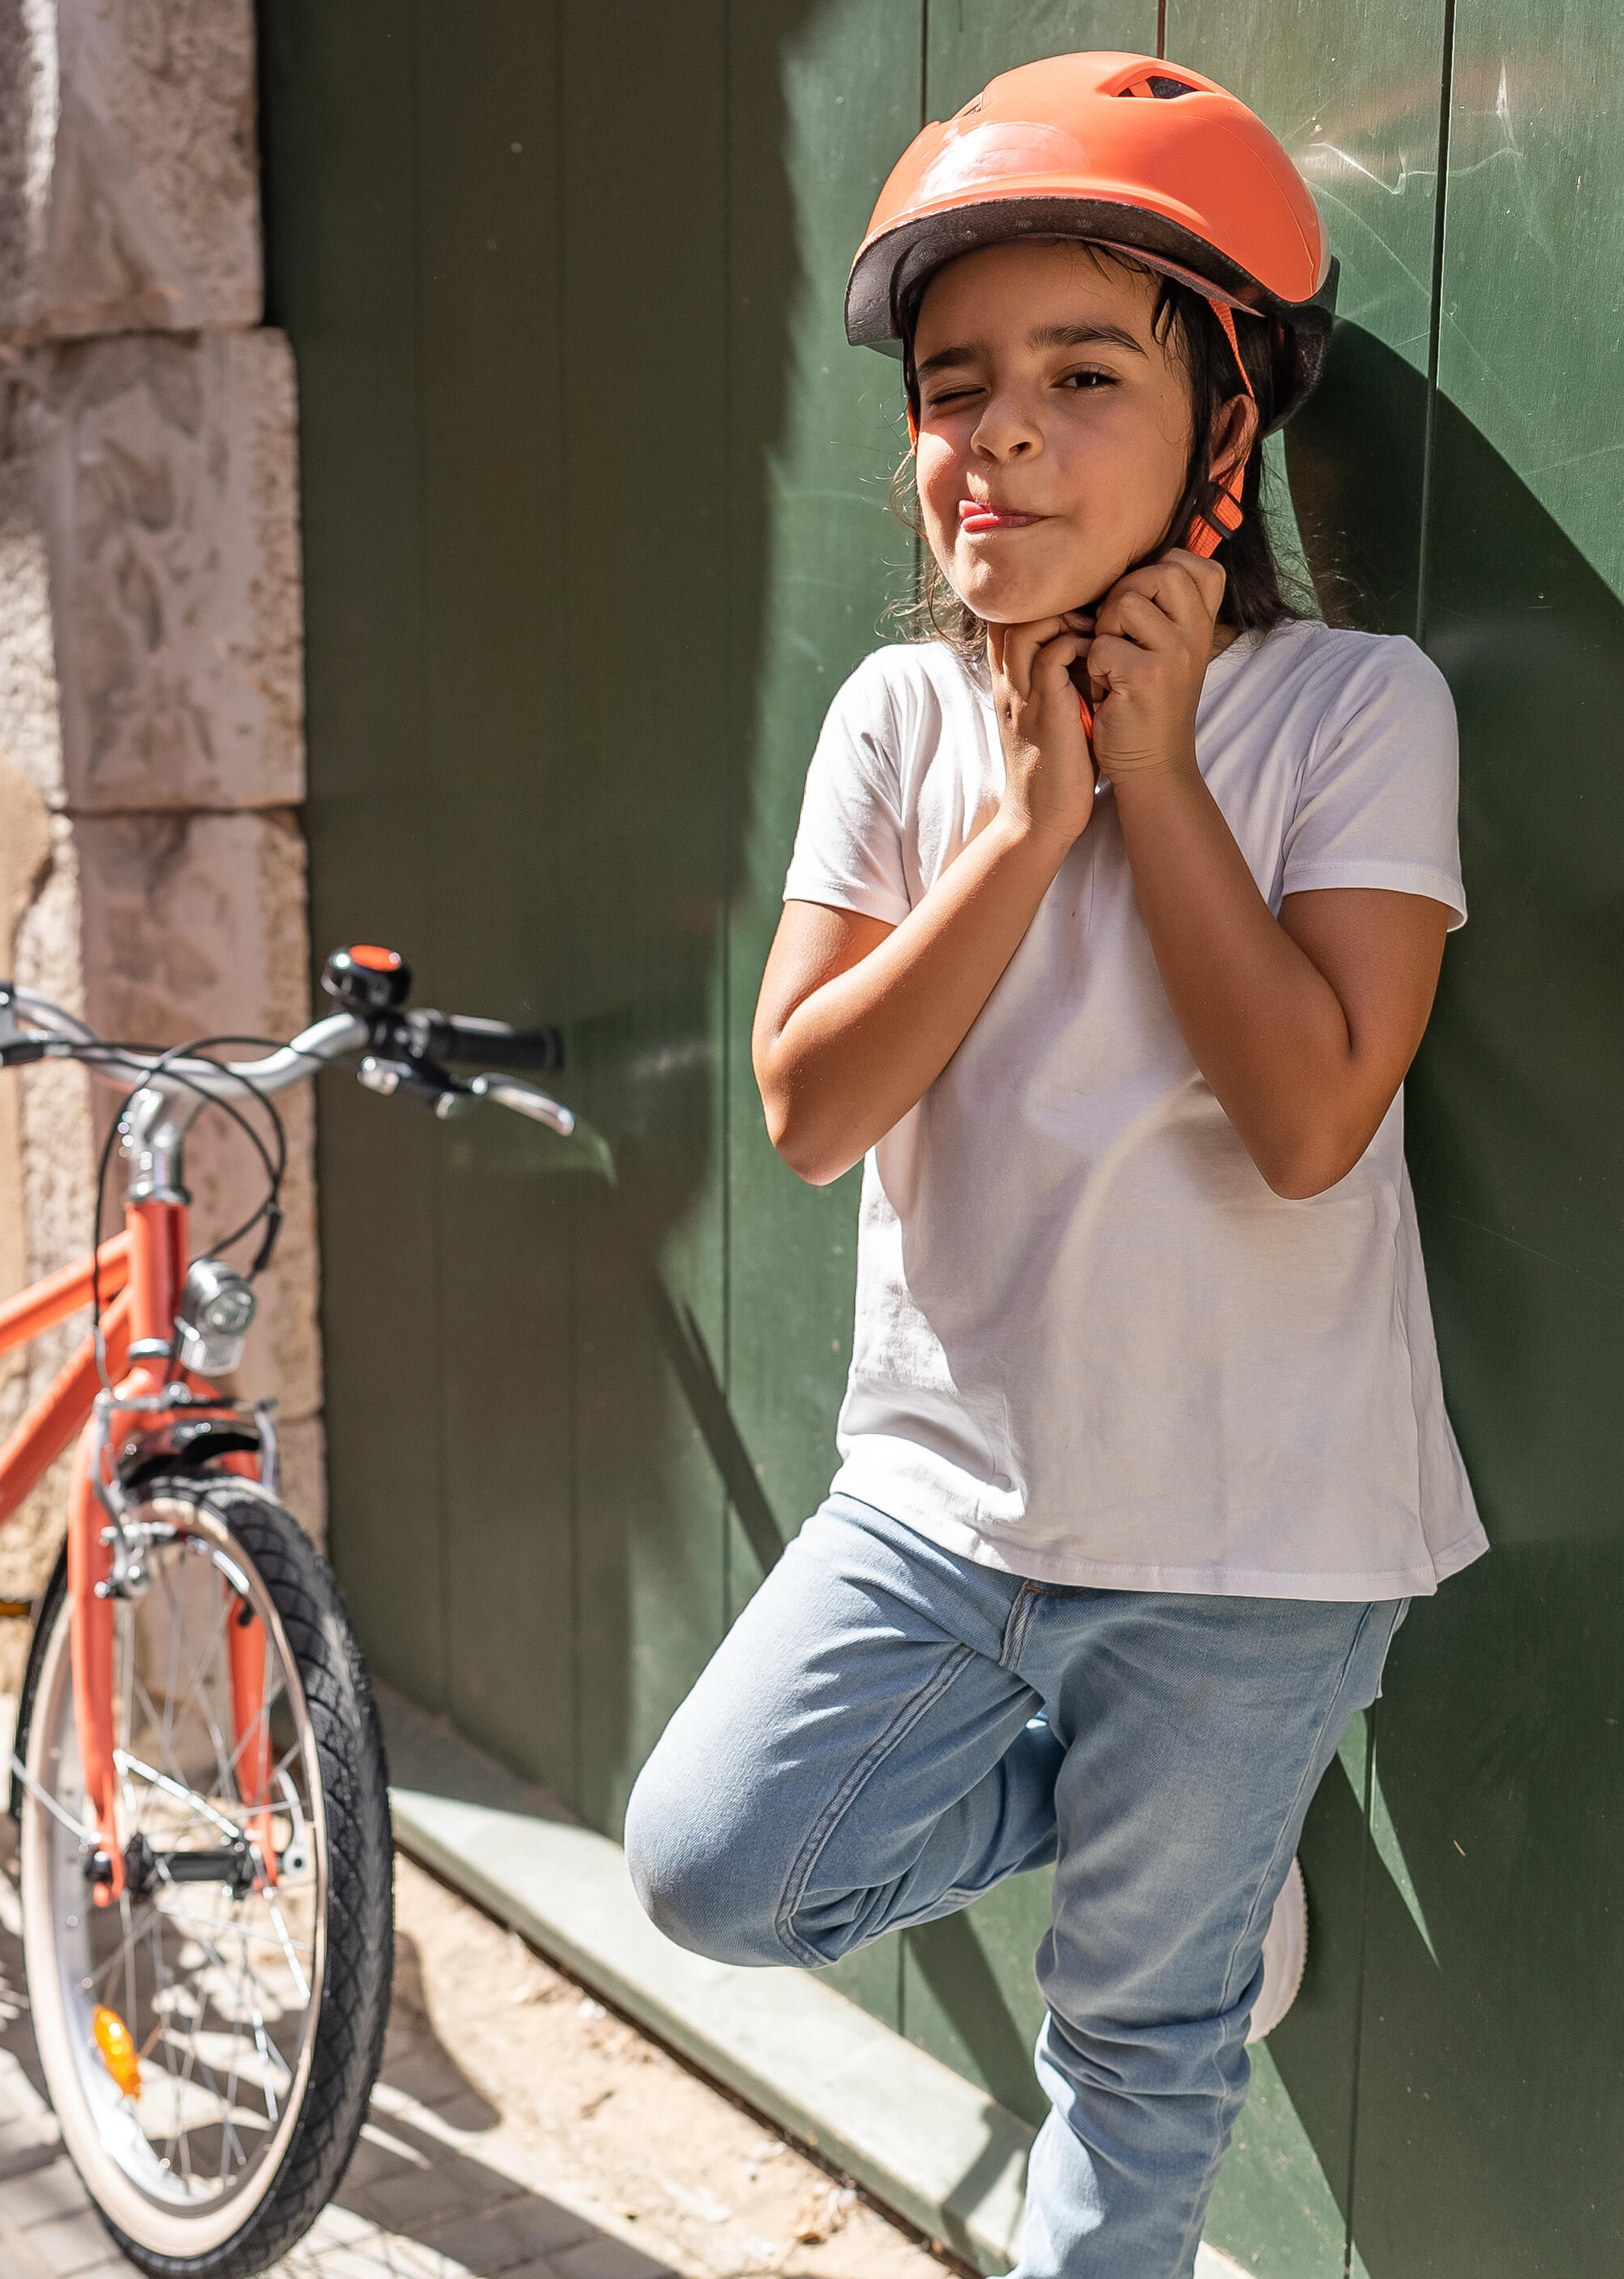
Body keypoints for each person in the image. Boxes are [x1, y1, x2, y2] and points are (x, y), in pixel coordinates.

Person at [622, 52, 1483, 2279]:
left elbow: (1310, 1121)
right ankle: (1172, 1849)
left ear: (1228, 430)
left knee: (1139, 2034)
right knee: (715, 1862)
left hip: (1254, 1537)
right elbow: (811, 1108)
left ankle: (1182, 1884)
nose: (994, 433)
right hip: (946, 1500)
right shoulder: (897, 731)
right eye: (952, 384)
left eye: (1082, 375)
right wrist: (1026, 825)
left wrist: (1159, 775)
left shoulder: (1358, 713)